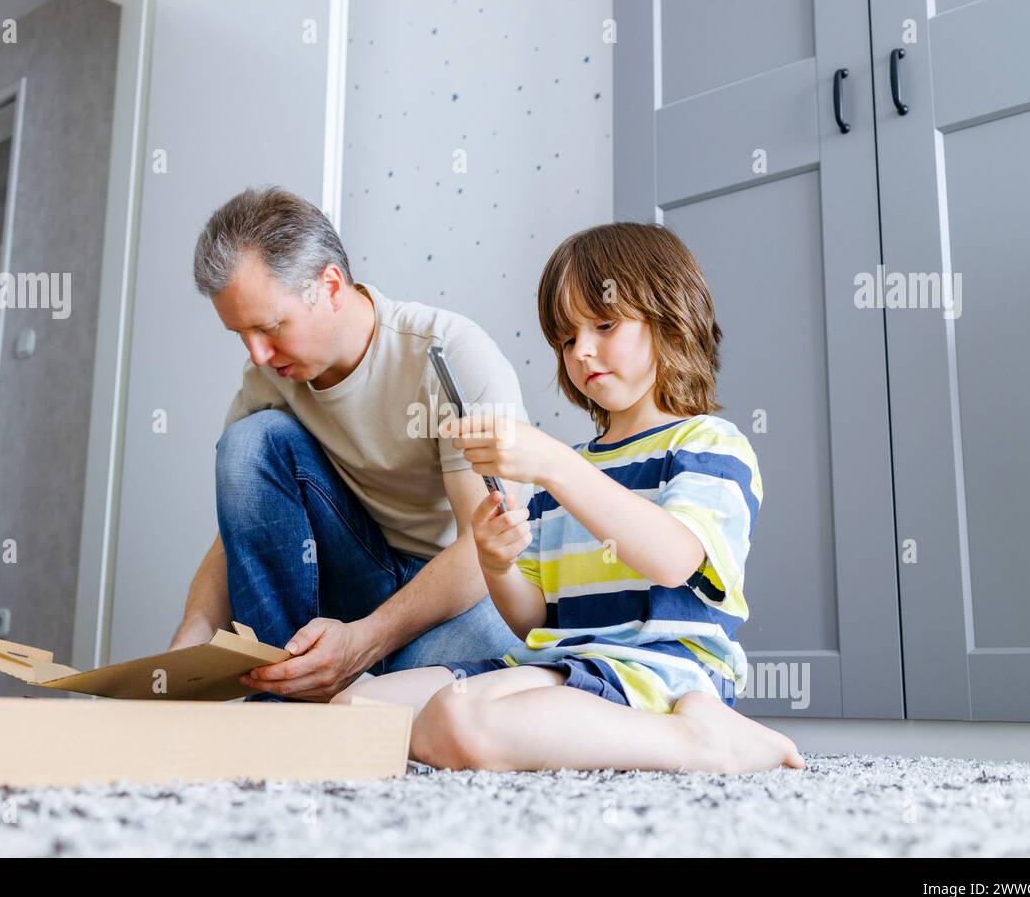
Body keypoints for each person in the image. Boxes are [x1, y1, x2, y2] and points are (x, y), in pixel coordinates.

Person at [333, 222, 806, 774]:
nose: (582, 351)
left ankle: (705, 741)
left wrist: (556, 466)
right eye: (566, 338)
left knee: (460, 723)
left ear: (672, 321)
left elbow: (673, 559)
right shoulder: (571, 470)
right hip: (564, 660)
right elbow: (535, 615)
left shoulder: (707, 444)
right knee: (351, 709)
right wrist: (496, 559)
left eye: (604, 324)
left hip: (660, 673)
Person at [169, 186, 528, 704]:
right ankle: (284, 697)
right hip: (355, 578)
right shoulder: (268, 378)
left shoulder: (450, 355)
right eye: (240, 334)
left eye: (269, 327)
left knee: (509, 686)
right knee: (247, 445)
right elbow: (242, 527)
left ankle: (352, 678)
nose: (258, 353)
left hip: (451, 595)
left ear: (331, 286)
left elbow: (479, 550)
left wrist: (365, 641)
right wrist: (194, 635)